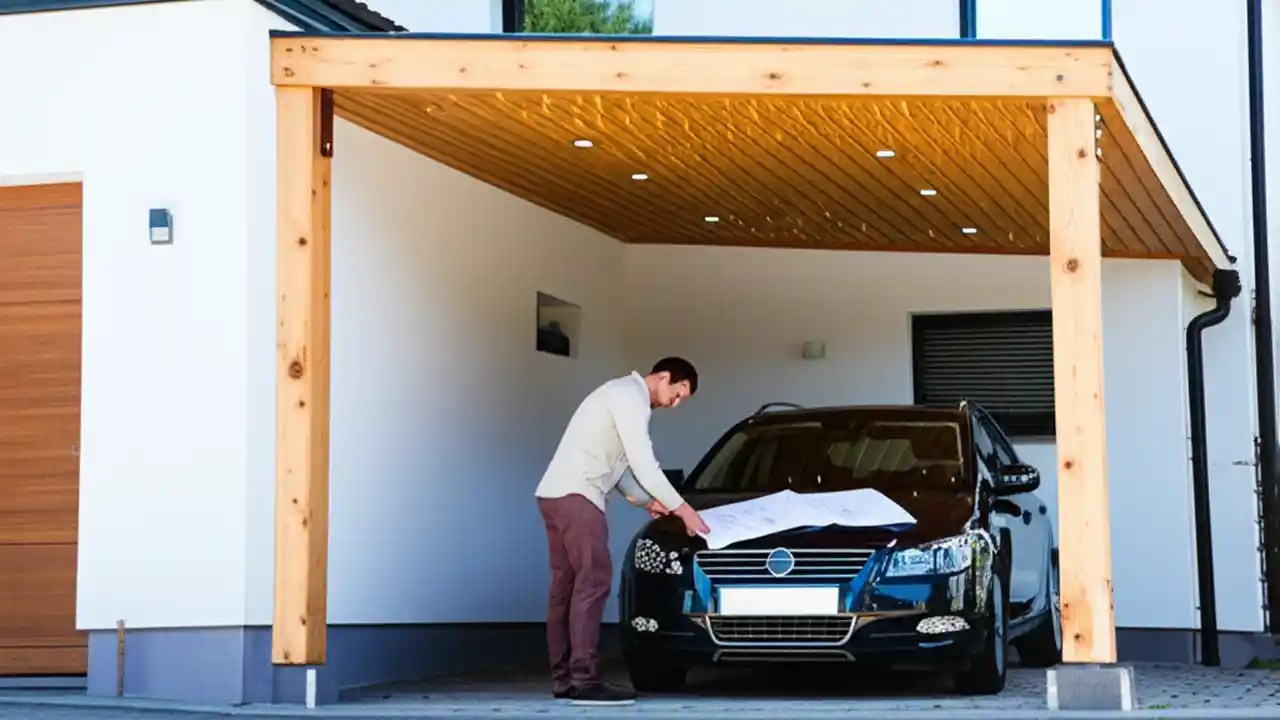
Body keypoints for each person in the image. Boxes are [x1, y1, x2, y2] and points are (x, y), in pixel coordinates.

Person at [534, 357, 710, 705]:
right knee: (594, 582)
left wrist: (646, 501)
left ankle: (565, 680)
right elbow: (644, 461)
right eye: (678, 394)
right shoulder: (631, 397)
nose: (675, 404)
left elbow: (624, 471)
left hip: (554, 495)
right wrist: (684, 510)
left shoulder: (616, 395)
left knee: (565, 589)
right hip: (578, 497)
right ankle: (585, 681)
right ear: (664, 376)